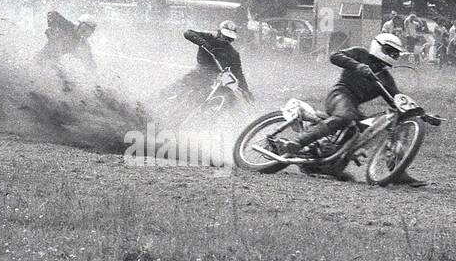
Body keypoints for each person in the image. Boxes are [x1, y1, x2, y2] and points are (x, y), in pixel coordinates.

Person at [276, 32, 426, 186]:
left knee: (365, 133)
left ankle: (397, 172)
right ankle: (298, 142)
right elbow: (335, 56)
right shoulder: (361, 54)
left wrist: (421, 113)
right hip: (340, 94)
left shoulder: (385, 78)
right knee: (345, 117)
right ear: (379, 46)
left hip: (353, 106)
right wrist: (357, 66)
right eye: (389, 50)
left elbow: (396, 98)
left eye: (395, 53)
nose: (392, 55)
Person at [176, 19, 253, 102]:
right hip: (198, 72)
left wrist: (246, 91)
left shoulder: (233, 54)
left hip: (212, 79)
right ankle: (163, 98)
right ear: (220, 33)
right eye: (225, 36)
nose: (226, 40)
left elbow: (238, 73)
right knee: (177, 87)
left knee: (215, 98)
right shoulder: (209, 38)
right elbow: (188, 33)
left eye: (229, 39)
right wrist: (205, 44)